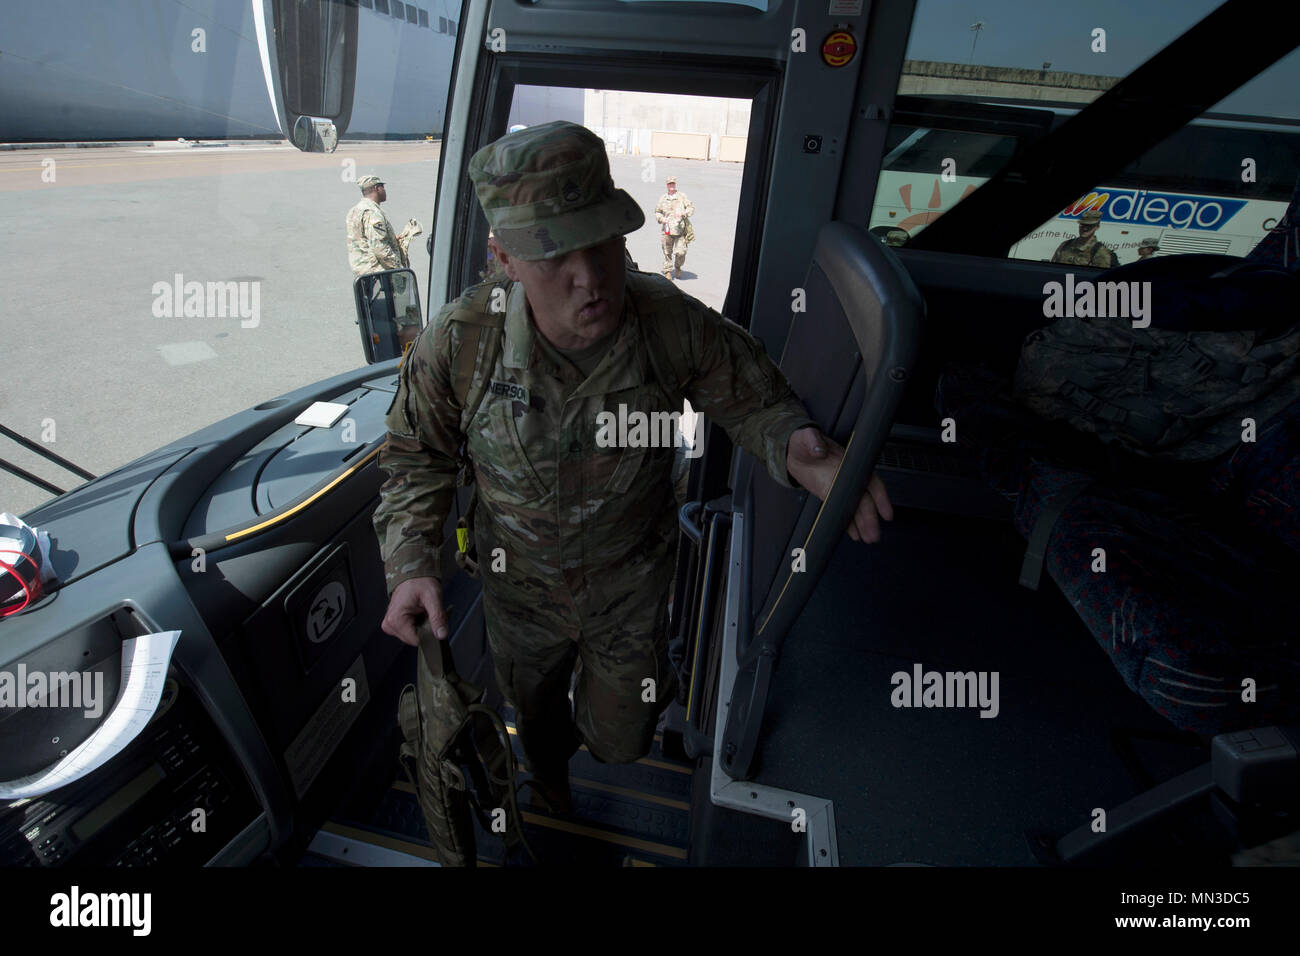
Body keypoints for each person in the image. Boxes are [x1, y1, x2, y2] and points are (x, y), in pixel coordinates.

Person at [371, 121, 893, 814]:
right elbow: (417, 456)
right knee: (537, 724)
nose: (590, 278)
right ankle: (550, 783)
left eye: (603, 244)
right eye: (556, 257)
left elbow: (756, 401)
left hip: (632, 590)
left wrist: (808, 453)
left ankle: (595, 745)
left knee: (621, 740)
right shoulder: (462, 344)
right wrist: (411, 563)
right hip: (517, 593)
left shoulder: (666, 321)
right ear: (504, 259)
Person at [347, 174, 424, 347]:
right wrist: (399, 269)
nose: (384, 190)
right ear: (376, 189)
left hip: (366, 274)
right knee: (401, 314)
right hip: (378, 273)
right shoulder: (372, 213)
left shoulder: (356, 210)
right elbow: (379, 249)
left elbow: (366, 241)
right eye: (383, 187)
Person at [655, 176, 694, 280]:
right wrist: (661, 219)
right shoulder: (663, 198)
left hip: (680, 230)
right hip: (667, 230)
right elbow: (657, 211)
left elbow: (691, 208)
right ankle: (668, 270)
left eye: (673, 184)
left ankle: (678, 267)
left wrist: (683, 213)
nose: (671, 186)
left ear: (675, 184)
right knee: (667, 252)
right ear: (666, 185)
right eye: (669, 184)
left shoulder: (682, 196)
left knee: (681, 252)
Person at [1050, 209, 1118, 268]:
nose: (1085, 228)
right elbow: (1052, 268)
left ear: (1097, 227)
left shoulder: (1100, 252)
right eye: (1083, 225)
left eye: (1089, 226)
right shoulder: (1065, 245)